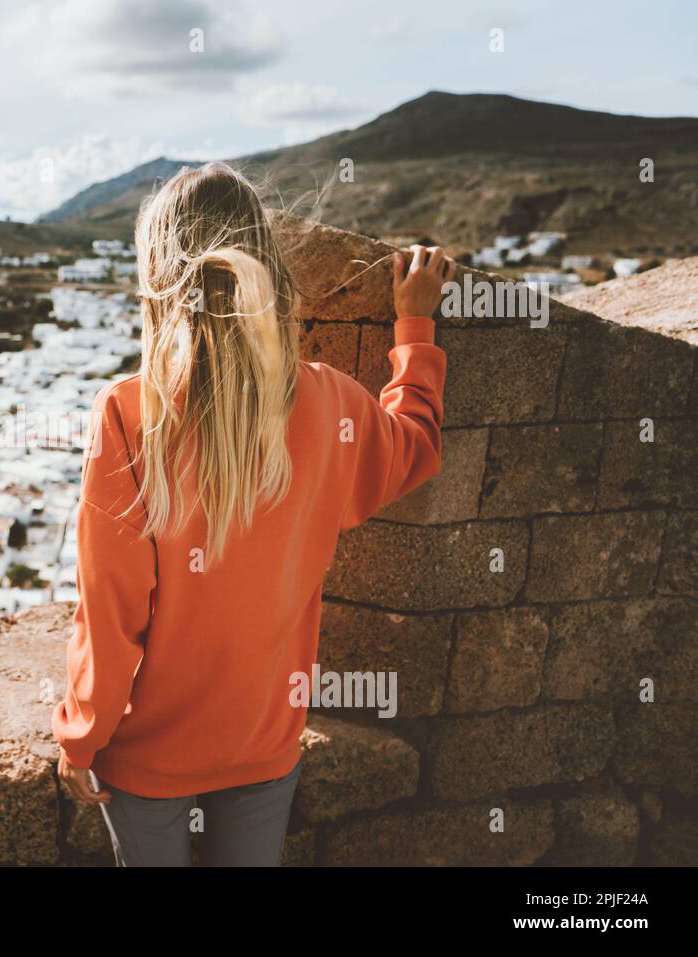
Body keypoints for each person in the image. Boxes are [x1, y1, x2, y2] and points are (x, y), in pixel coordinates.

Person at [52, 162, 454, 866]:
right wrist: (414, 327)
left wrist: (80, 737)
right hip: (263, 742)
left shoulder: (126, 413)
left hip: (147, 759)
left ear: (158, 275)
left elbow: (110, 612)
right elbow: (413, 447)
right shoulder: (330, 403)